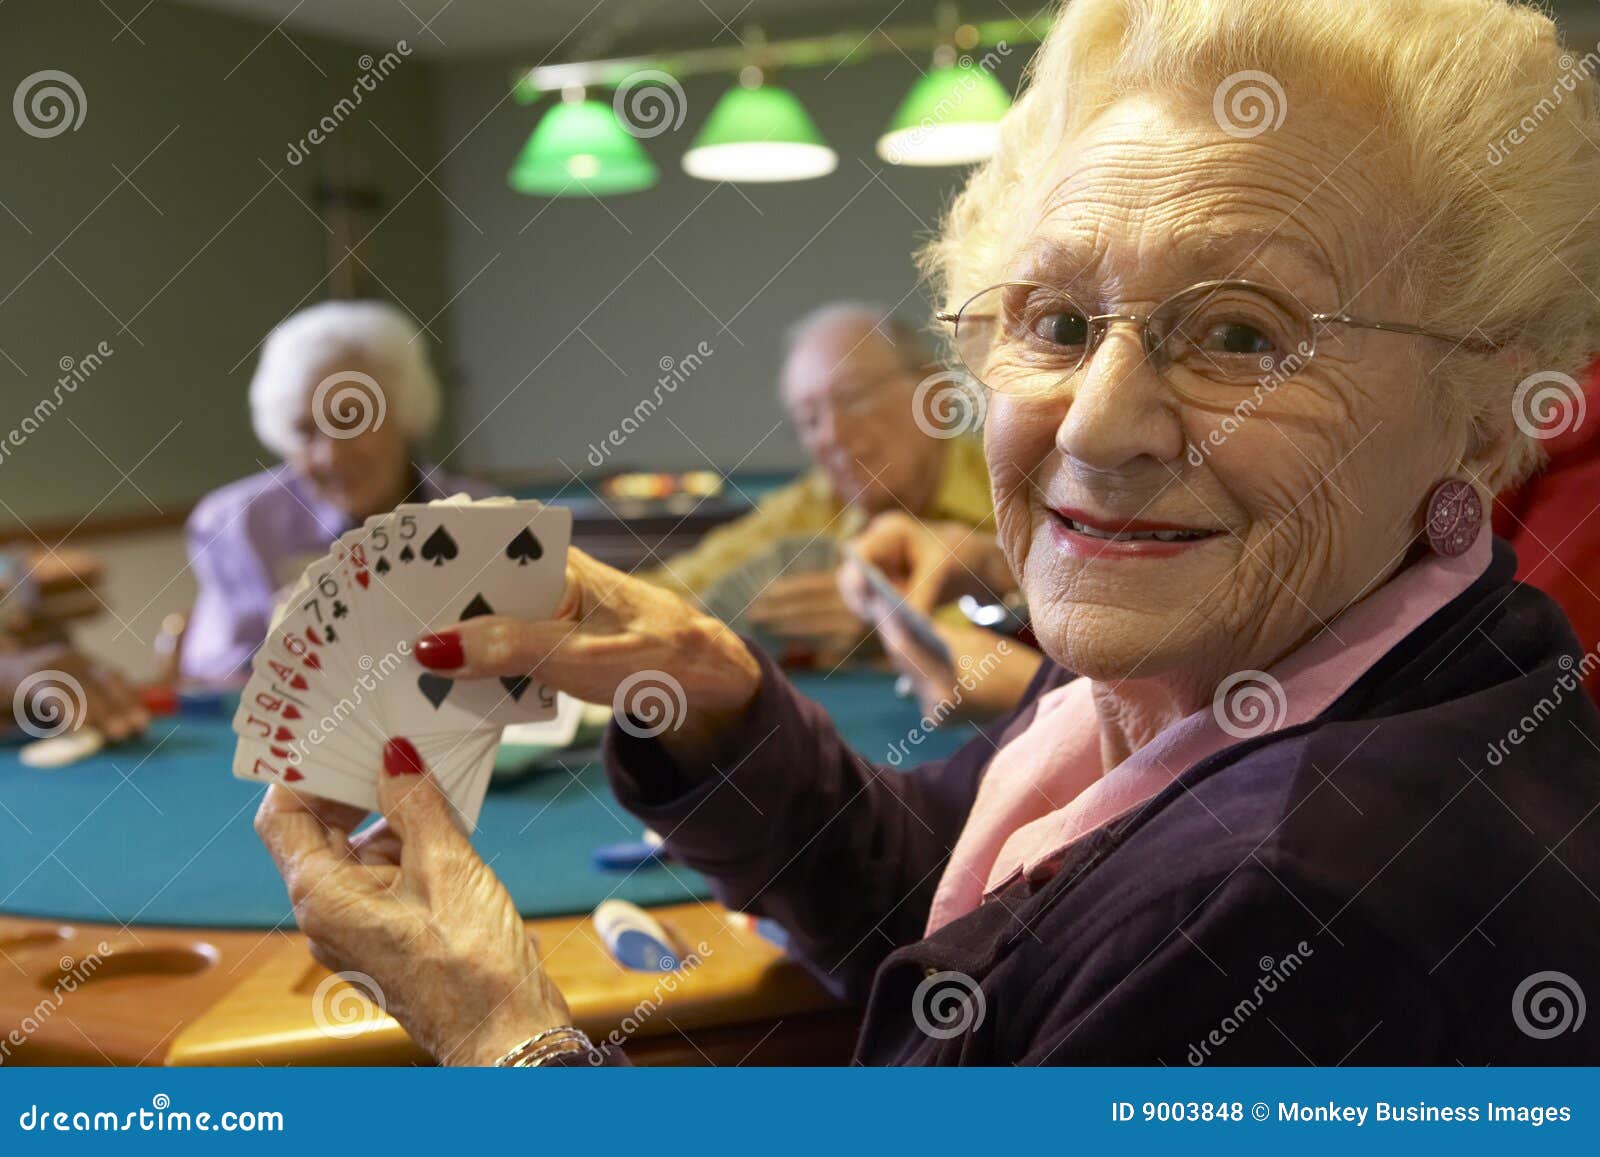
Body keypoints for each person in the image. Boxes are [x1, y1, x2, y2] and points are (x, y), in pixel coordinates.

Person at [256, 0, 1600, 1065]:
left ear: (1484, 422)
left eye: (1242, 334)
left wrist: (512, 1042)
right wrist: (724, 710)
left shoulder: (1291, 902)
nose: (1095, 426)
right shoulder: (1216, 657)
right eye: (1056, 323)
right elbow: (959, 931)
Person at [181, 301, 494, 685]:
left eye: (352, 419)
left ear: (407, 413)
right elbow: (217, 674)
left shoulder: (488, 514)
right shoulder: (236, 523)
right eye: (305, 431)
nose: (331, 455)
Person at [648, 303, 993, 650]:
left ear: (933, 390)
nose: (830, 436)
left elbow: (1034, 620)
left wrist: (886, 624)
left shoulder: (1013, 485)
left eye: (852, 398)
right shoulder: (807, 507)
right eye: (809, 420)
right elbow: (659, 595)